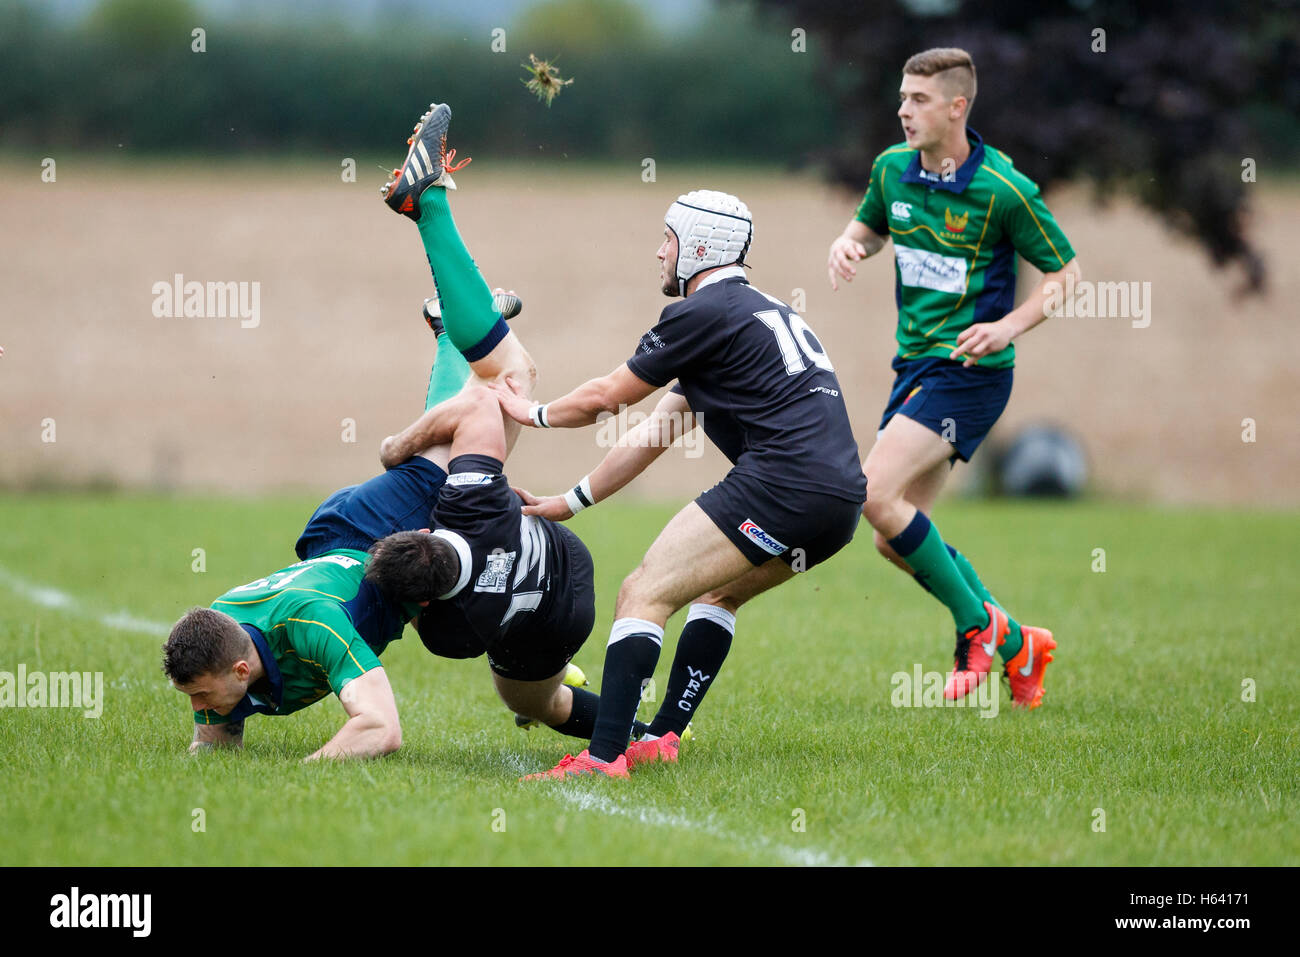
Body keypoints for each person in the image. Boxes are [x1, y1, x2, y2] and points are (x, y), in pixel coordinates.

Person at [161, 103, 609, 757]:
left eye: (202, 699)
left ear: (235, 668)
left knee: (510, 378)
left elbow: (381, 728)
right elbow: (218, 728)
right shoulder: (223, 635)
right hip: (344, 536)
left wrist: (394, 445)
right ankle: (450, 323)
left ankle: (430, 215)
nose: (201, 710)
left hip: (373, 535)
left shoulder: (302, 629)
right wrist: (212, 740)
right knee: (485, 386)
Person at [494, 189, 868, 779]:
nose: (658, 252)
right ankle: (662, 735)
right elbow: (656, 432)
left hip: (782, 484)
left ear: (697, 246)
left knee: (643, 592)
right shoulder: (755, 315)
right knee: (717, 594)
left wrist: (528, 411)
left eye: (667, 239)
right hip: (840, 504)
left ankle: (605, 757)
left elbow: (606, 398)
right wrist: (571, 501)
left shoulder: (701, 313)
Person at [826, 47, 1079, 708]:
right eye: (902, 98)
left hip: (971, 372)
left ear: (956, 107)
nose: (903, 110)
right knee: (893, 538)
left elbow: (1066, 277)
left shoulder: (1004, 189)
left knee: (872, 492)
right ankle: (1019, 640)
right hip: (912, 368)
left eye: (918, 100)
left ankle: (975, 626)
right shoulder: (891, 170)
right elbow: (872, 226)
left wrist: (1010, 326)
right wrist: (849, 240)